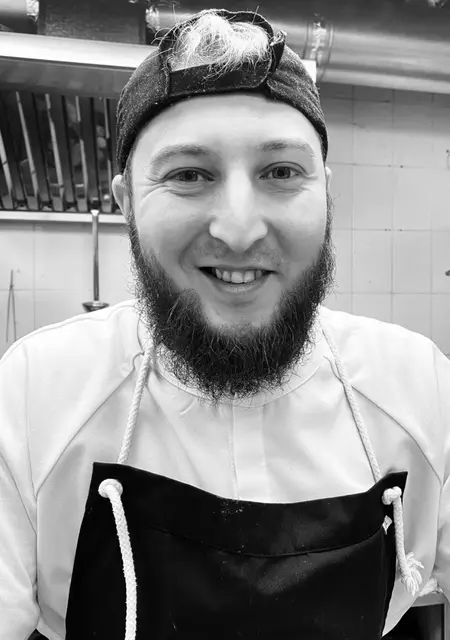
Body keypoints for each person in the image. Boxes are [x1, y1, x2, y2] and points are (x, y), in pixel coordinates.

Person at [1, 8, 449, 640]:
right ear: (126, 204)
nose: (239, 230)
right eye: (189, 175)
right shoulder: (33, 395)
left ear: (326, 194)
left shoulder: (419, 387)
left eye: (281, 172)